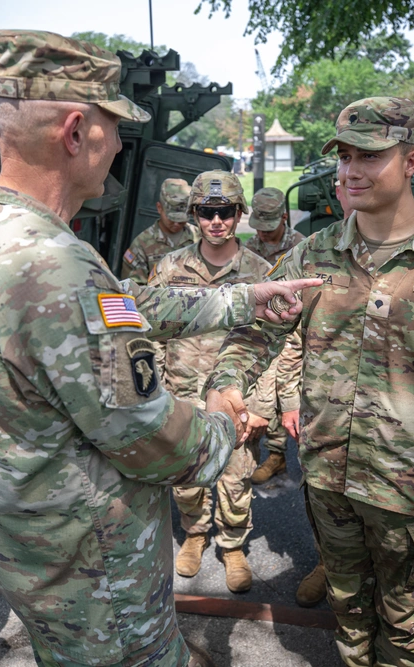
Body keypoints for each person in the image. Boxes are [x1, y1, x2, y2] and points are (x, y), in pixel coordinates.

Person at [0, 31, 319, 667]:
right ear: (75, 131)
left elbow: (121, 304)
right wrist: (225, 423)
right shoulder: (55, 265)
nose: (118, 144)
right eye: (114, 125)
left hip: (34, 553)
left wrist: (242, 300)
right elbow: (158, 442)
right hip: (96, 578)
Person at [208, 97, 414, 666]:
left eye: (370, 156)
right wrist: (226, 382)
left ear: (411, 161)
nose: (352, 170)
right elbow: (258, 329)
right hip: (329, 479)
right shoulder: (314, 253)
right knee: (348, 613)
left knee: (408, 625)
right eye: (345, 156)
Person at [151, 171, 274, 593]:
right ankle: (195, 534)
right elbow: (148, 333)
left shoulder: (261, 271)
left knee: (236, 480)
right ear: (194, 215)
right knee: (186, 480)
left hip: (237, 398)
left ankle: (233, 546)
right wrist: (152, 394)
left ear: (240, 213)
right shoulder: (169, 267)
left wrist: (263, 405)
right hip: (181, 396)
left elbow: (276, 342)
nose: (216, 221)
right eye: (207, 212)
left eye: (225, 212)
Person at [244, 187, 305, 485]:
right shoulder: (250, 248)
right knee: (260, 391)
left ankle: (281, 455)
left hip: (294, 330)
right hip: (262, 330)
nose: (263, 233)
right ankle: (262, 452)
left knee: (287, 394)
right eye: (259, 226)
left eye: (269, 226)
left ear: (284, 217)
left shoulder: (300, 247)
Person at [121, 177, 200, 284]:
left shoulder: (199, 238)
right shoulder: (141, 245)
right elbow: (133, 287)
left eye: (181, 220)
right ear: (159, 208)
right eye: (171, 218)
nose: (176, 224)